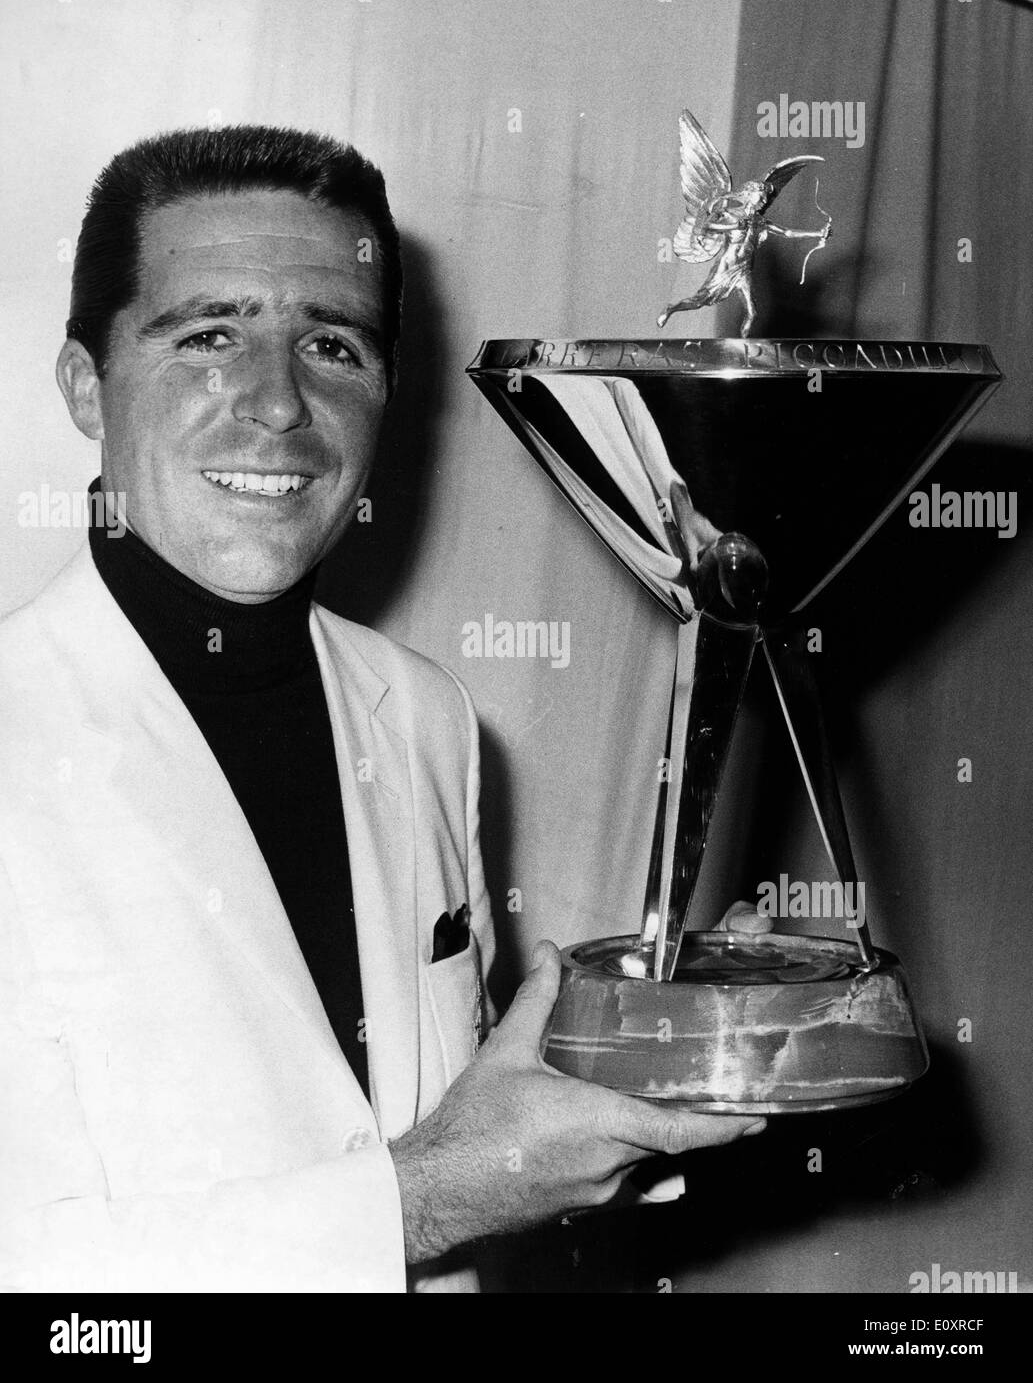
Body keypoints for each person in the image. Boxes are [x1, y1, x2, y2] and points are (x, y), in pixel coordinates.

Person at [0, 126, 766, 1294]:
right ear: (81, 385)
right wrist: (426, 1198)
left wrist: (661, 1035)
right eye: (209, 336)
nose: (276, 404)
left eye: (331, 345)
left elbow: (453, 1126)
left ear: (385, 392)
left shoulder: (425, 714)